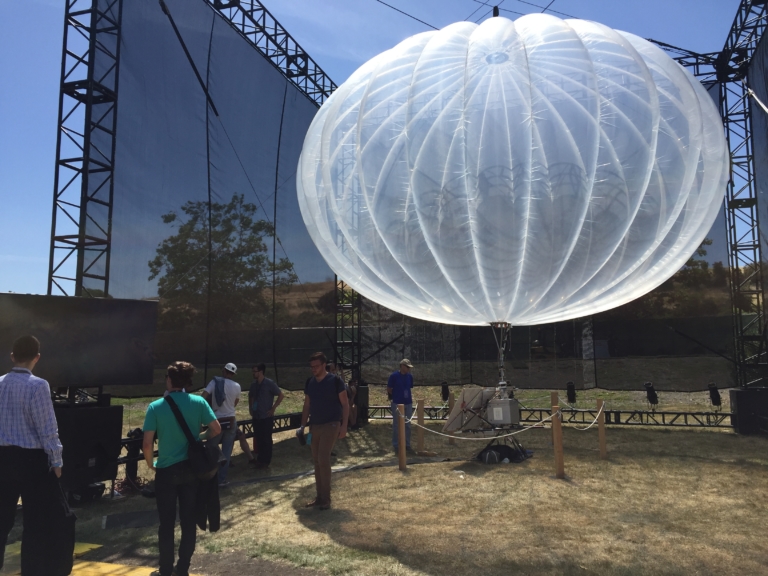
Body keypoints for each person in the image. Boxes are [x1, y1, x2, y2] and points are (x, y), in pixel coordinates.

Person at [0, 335, 70, 576]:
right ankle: (32, 570)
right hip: (31, 461)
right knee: (35, 523)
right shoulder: (38, 385)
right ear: (36, 358)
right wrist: (56, 460)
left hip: (2, 458)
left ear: (12, 357)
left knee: (1, 520)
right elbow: (47, 428)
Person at [143, 361, 221, 576]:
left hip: (166, 471)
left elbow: (147, 443)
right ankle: (183, 569)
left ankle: (165, 570)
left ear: (169, 380)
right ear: (187, 381)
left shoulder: (156, 407)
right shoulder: (198, 402)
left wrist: (151, 464)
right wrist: (199, 438)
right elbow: (216, 429)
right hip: (191, 470)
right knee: (188, 522)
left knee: (166, 524)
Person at [298, 352, 348, 510]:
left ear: (324, 365)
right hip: (315, 425)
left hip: (331, 424)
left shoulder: (335, 381)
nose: (313, 369)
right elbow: (307, 405)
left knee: (323, 458)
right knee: (317, 461)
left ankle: (326, 498)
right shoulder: (310, 382)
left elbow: (345, 404)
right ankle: (319, 497)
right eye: (311, 366)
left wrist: (344, 425)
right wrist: (302, 425)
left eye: (316, 366)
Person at [201, 363, 241, 487]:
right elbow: (236, 402)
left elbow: (203, 397)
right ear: (233, 374)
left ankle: (209, 476)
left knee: (211, 447)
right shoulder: (237, 386)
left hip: (216, 420)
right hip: (231, 420)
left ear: (224, 370)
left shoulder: (214, 382)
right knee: (227, 451)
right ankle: (221, 479)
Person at [248, 363, 284, 469]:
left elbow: (281, 395)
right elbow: (251, 396)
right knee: (259, 438)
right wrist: (251, 408)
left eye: (255, 371)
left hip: (266, 417)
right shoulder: (253, 385)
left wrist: (273, 408)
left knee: (266, 439)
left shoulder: (269, 383)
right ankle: (260, 459)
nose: (253, 373)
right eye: (253, 371)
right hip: (256, 416)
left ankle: (266, 461)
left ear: (261, 372)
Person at [388, 359, 415, 454]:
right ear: (402, 366)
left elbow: (410, 387)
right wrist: (395, 396)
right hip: (397, 403)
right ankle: (396, 445)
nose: (408, 369)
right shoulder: (394, 376)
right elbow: (389, 389)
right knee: (396, 425)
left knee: (407, 425)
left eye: (409, 367)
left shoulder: (410, 377)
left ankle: (407, 444)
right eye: (407, 367)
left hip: (408, 402)